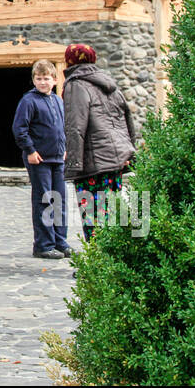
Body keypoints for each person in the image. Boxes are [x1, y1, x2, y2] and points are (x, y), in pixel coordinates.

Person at [62, 44, 137, 242]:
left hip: (94, 161)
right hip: (116, 159)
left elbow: (75, 127)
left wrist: (74, 163)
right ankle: (111, 262)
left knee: (93, 214)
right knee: (111, 213)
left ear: (69, 61)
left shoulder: (75, 84)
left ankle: (97, 265)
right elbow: (128, 121)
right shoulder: (109, 84)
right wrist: (130, 152)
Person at [13, 59, 71, 260]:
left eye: (46, 78)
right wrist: (30, 150)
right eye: (38, 79)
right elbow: (20, 129)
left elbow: (63, 128)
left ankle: (60, 241)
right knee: (45, 200)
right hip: (39, 159)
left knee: (59, 200)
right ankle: (43, 244)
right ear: (33, 80)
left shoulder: (58, 101)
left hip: (57, 158)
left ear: (55, 80)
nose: (42, 82)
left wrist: (64, 149)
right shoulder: (29, 101)